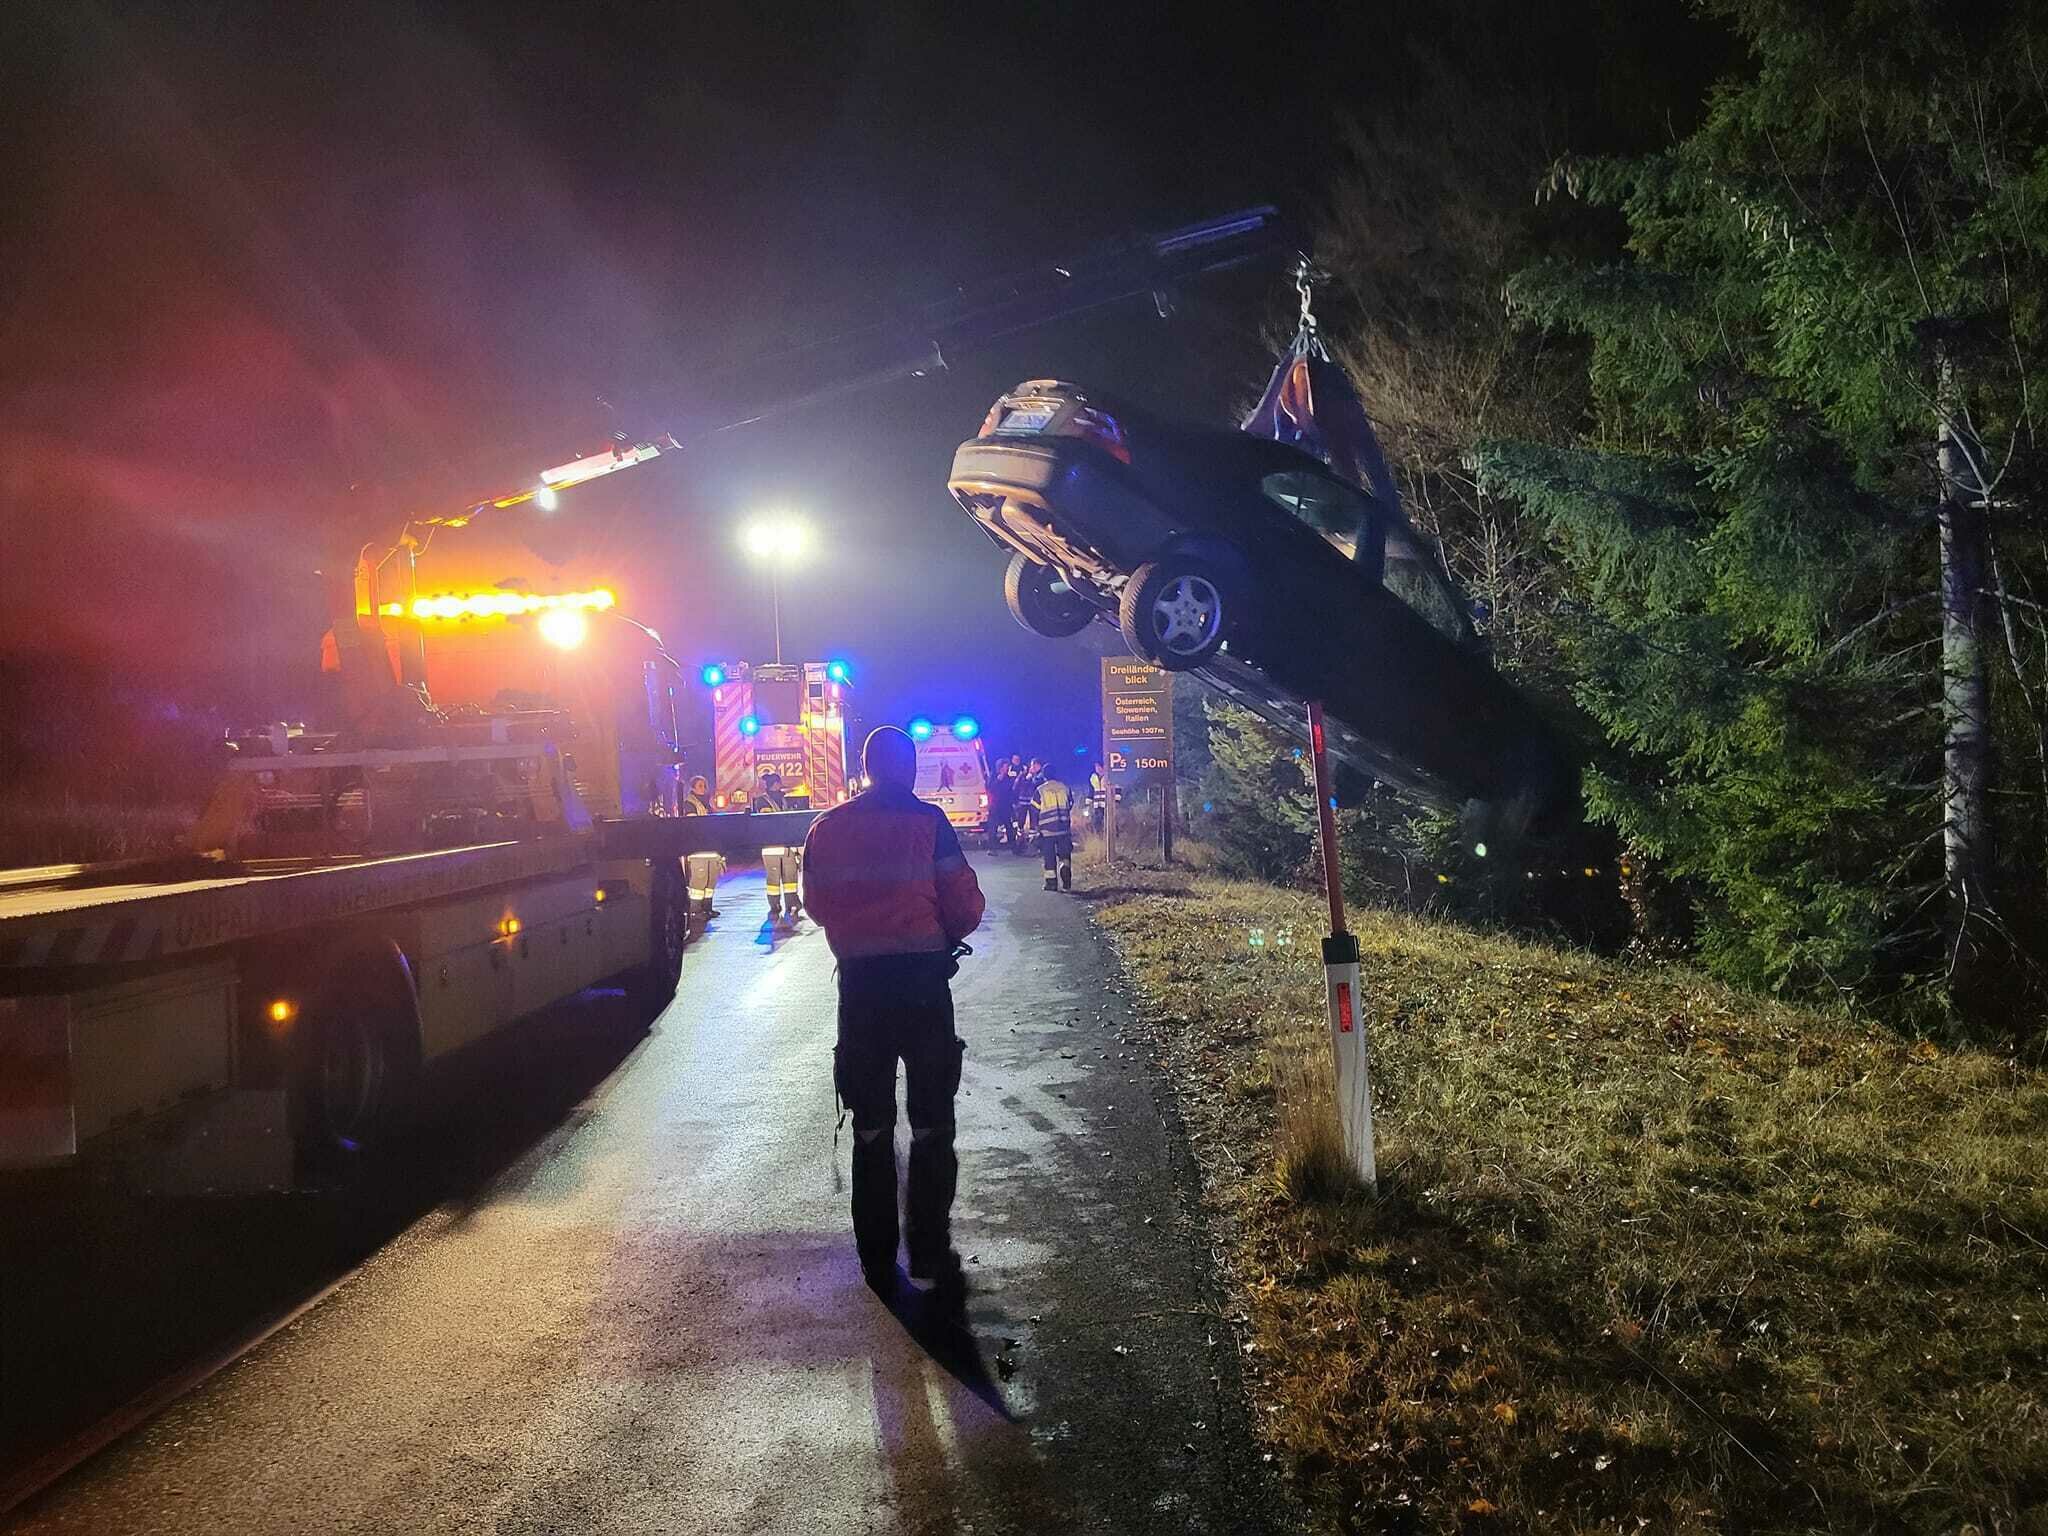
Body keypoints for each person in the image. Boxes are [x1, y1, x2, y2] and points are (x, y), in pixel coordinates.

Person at [801, 727, 986, 1294]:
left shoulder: (827, 828)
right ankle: (928, 1251)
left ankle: (877, 1259)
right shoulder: (930, 823)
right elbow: (965, 903)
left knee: (872, 1127)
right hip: (925, 988)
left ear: (864, 768)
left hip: (862, 993)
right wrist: (942, 934)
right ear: (909, 770)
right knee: (932, 1124)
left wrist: (859, 933)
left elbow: (816, 904)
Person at [678, 775, 723, 921]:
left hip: (710, 849)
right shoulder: (689, 804)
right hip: (698, 850)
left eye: (704, 785)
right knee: (699, 882)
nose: (703, 788)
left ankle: (707, 908)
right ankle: (695, 911)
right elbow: (694, 825)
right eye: (700, 786)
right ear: (693, 788)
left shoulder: (707, 804)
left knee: (711, 881)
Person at [1033, 766, 1074, 891]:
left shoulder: (1040, 790)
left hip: (1047, 830)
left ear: (1044, 776)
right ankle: (1066, 881)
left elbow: (1035, 809)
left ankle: (1051, 884)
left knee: (1049, 857)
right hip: (1063, 828)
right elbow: (1070, 804)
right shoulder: (1065, 788)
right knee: (1065, 855)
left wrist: (1036, 828)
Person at [987, 758, 1016, 852]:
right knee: (993, 827)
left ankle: (1013, 846)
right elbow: (990, 788)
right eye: (1005, 766)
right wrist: (998, 780)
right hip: (995, 806)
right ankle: (992, 848)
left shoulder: (1008, 777)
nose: (1007, 768)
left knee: (1009, 826)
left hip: (1006, 805)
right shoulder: (993, 776)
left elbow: (1011, 790)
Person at [1088, 762, 1106, 836]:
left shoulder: (1109, 776)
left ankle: (1114, 836)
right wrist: (1088, 802)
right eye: (1096, 767)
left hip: (1107, 803)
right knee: (1097, 821)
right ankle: (1098, 836)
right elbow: (1091, 790)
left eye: (1099, 767)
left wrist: (1116, 801)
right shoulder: (1093, 777)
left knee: (1109, 822)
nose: (1097, 769)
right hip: (1097, 804)